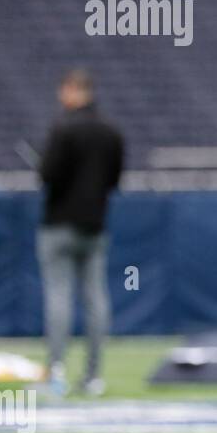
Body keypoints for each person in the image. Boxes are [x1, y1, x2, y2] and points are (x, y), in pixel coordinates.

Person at [37, 69, 124, 397]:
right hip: (95, 224)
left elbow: (48, 175)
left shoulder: (64, 128)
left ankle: (56, 372)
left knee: (59, 295)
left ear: (72, 90)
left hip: (59, 222)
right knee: (95, 298)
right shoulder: (112, 132)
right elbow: (114, 180)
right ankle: (93, 376)